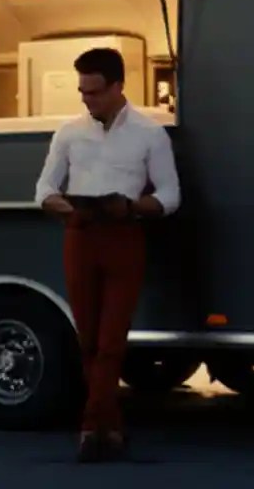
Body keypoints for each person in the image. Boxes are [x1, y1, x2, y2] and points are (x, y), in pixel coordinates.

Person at [33, 47, 181, 462]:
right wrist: (69, 207)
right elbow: (43, 191)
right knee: (87, 340)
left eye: (94, 92)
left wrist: (132, 207)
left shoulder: (150, 135)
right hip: (79, 235)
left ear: (117, 87)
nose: (86, 100)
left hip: (124, 236)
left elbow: (171, 196)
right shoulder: (68, 133)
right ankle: (108, 428)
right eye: (82, 92)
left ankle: (90, 428)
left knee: (112, 340)